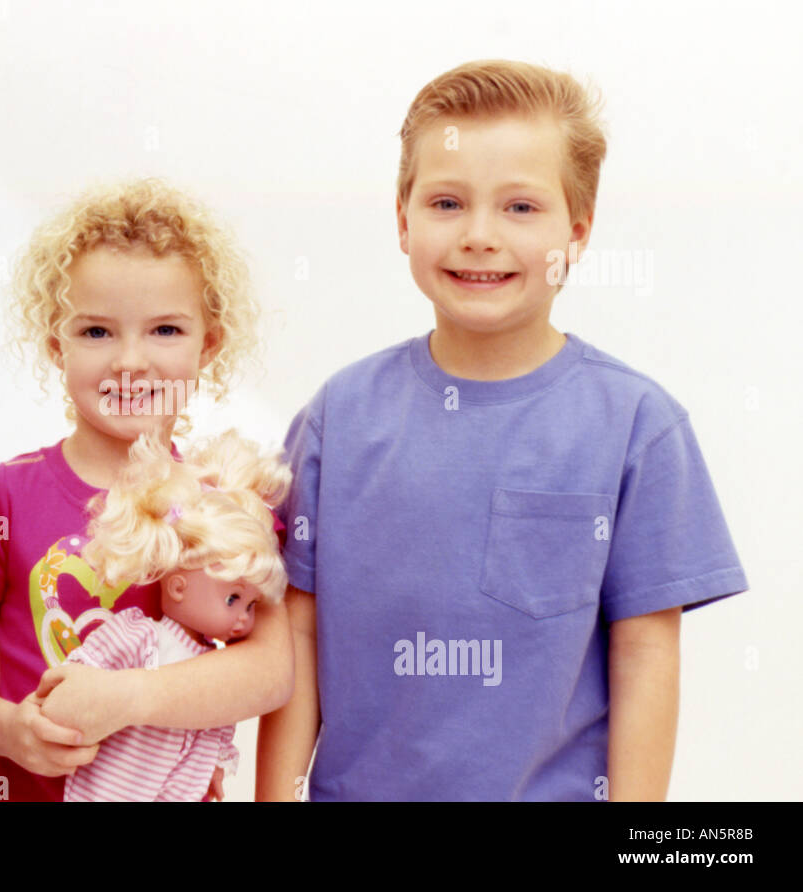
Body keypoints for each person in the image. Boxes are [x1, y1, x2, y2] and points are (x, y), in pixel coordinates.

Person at [257, 60, 748, 801]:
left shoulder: (637, 427)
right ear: (402, 220)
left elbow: (646, 652)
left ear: (577, 233)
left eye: (520, 208)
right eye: (448, 202)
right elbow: (295, 634)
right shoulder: (337, 417)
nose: (479, 236)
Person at [0, 179, 293, 801]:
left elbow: (272, 671)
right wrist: (8, 730)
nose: (130, 362)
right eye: (96, 332)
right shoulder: (2, 499)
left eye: (165, 330)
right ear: (57, 345)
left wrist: (127, 700)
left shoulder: (225, 501)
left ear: (207, 345)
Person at [63, 430, 289, 801]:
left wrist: (216, 765)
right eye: (233, 598)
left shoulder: (219, 668)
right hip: (117, 782)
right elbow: (85, 667)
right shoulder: (142, 636)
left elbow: (220, 723)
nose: (244, 619)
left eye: (251, 606)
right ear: (179, 587)